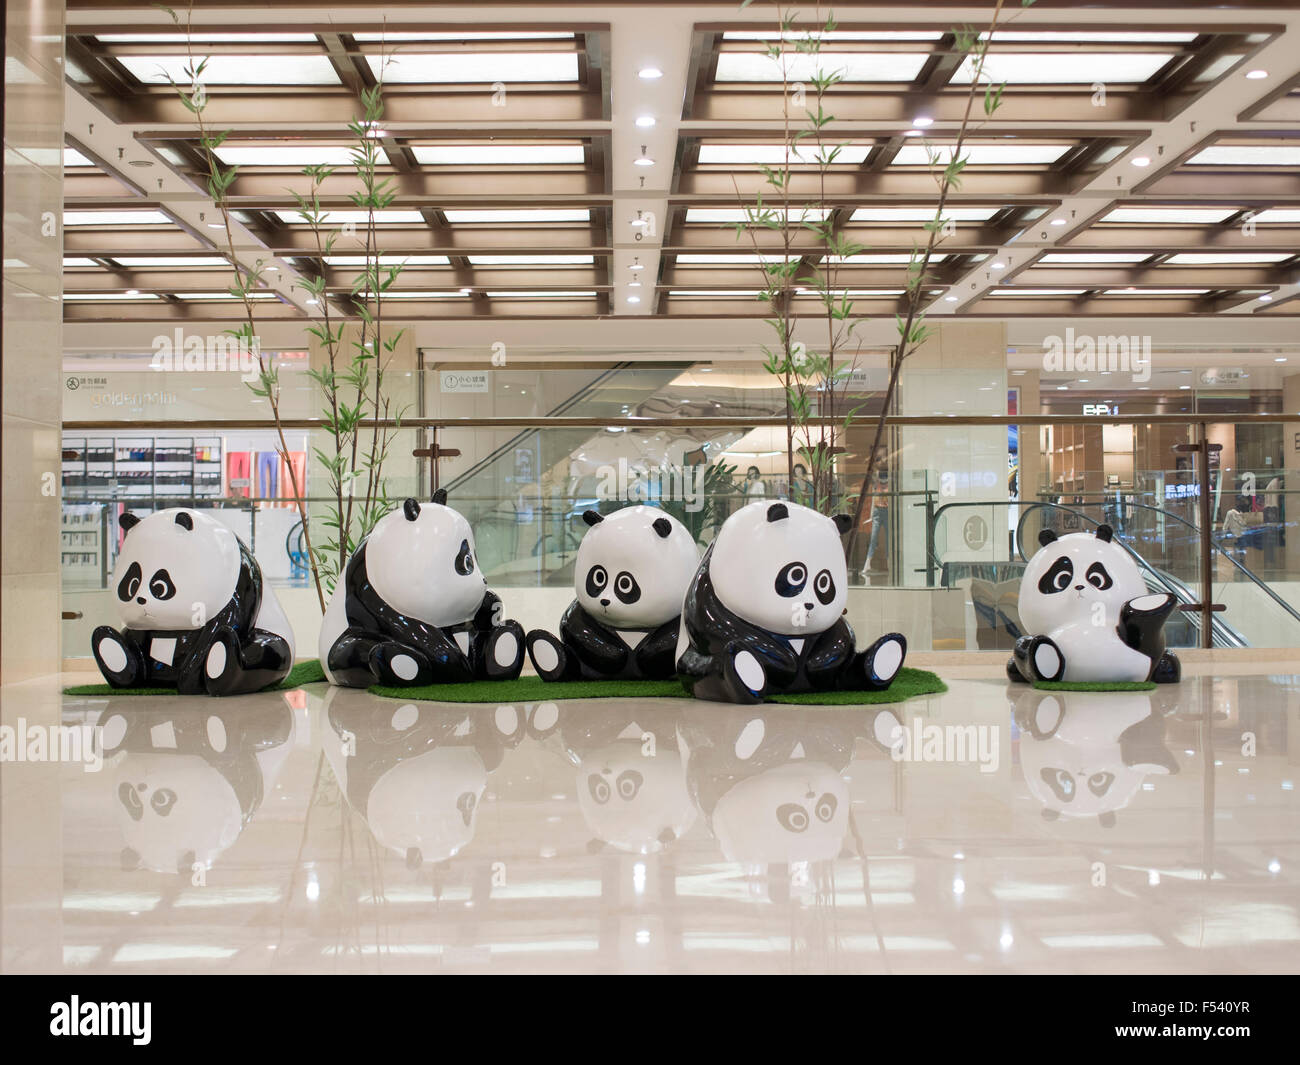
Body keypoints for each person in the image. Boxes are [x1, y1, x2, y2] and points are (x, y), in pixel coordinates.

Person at [860, 469, 890, 577]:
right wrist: (871, 515)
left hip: (887, 511)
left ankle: (889, 565)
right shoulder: (876, 484)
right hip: (877, 512)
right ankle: (867, 564)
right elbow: (873, 499)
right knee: (873, 539)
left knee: (888, 540)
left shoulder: (890, 485)